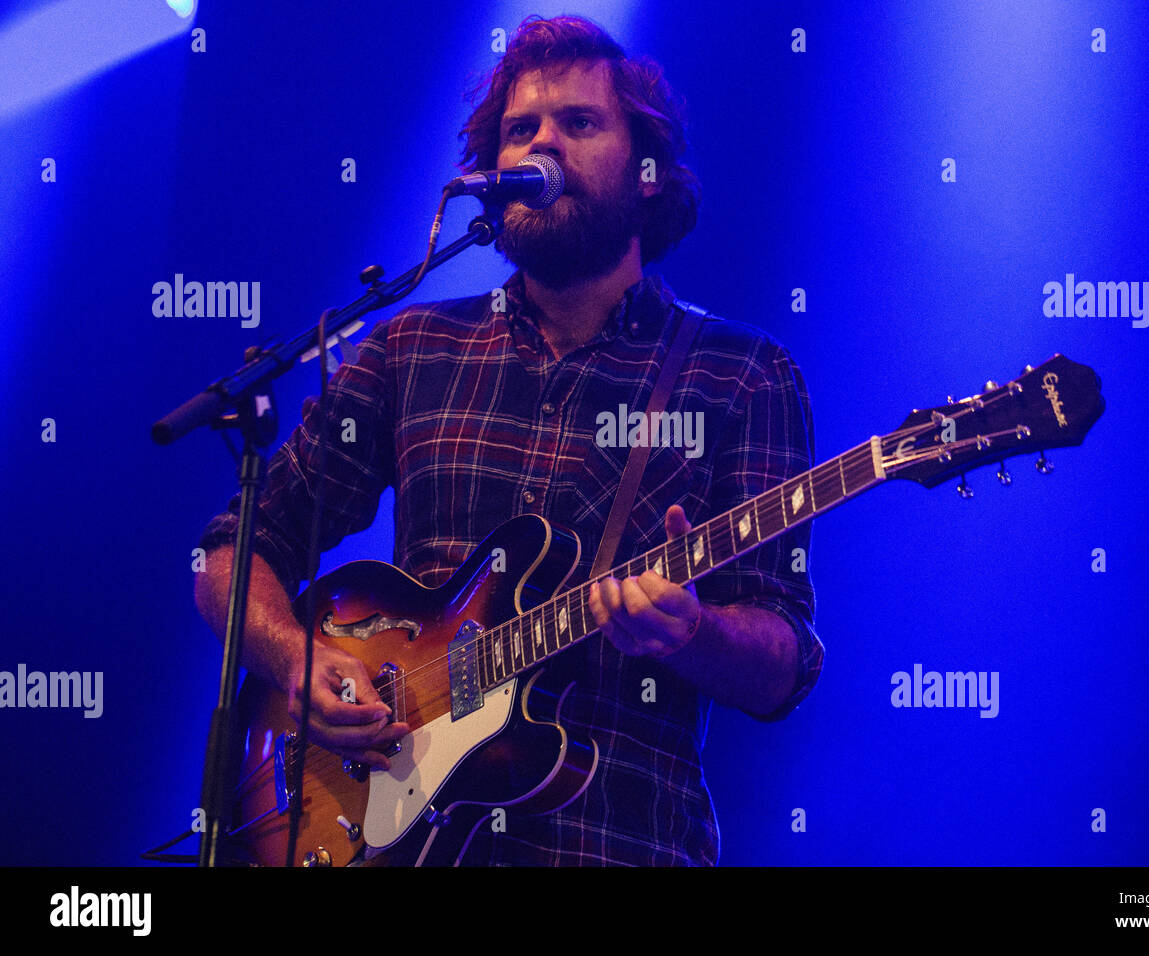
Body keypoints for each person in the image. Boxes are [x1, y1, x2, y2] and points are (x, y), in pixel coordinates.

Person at [195, 14, 822, 866]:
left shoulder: (740, 373)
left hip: (613, 840)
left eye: (579, 123)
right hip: (391, 838)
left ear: (647, 173)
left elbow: (783, 662)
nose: (542, 146)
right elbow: (233, 553)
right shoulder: (409, 348)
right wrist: (297, 662)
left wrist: (694, 631)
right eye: (520, 130)